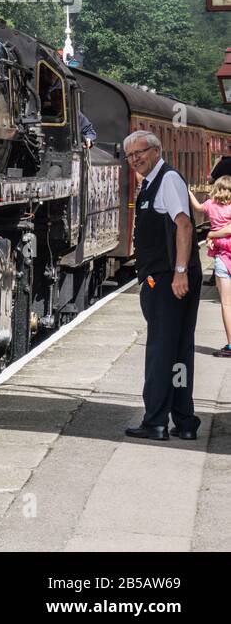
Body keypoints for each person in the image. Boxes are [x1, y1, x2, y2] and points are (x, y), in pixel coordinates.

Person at [123, 130, 201, 441]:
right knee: (178, 350)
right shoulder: (154, 181)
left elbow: (183, 224)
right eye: (129, 155)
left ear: (156, 150)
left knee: (159, 350)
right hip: (170, 276)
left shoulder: (167, 180)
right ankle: (183, 421)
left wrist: (180, 271)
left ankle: (155, 421)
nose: (134, 159)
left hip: (168, 278)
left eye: (139, 152)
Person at [191, 175, 231, 358]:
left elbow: (198, 207)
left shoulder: (210, 205)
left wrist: (189, 193)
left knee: (226, 304)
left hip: (222, 258)